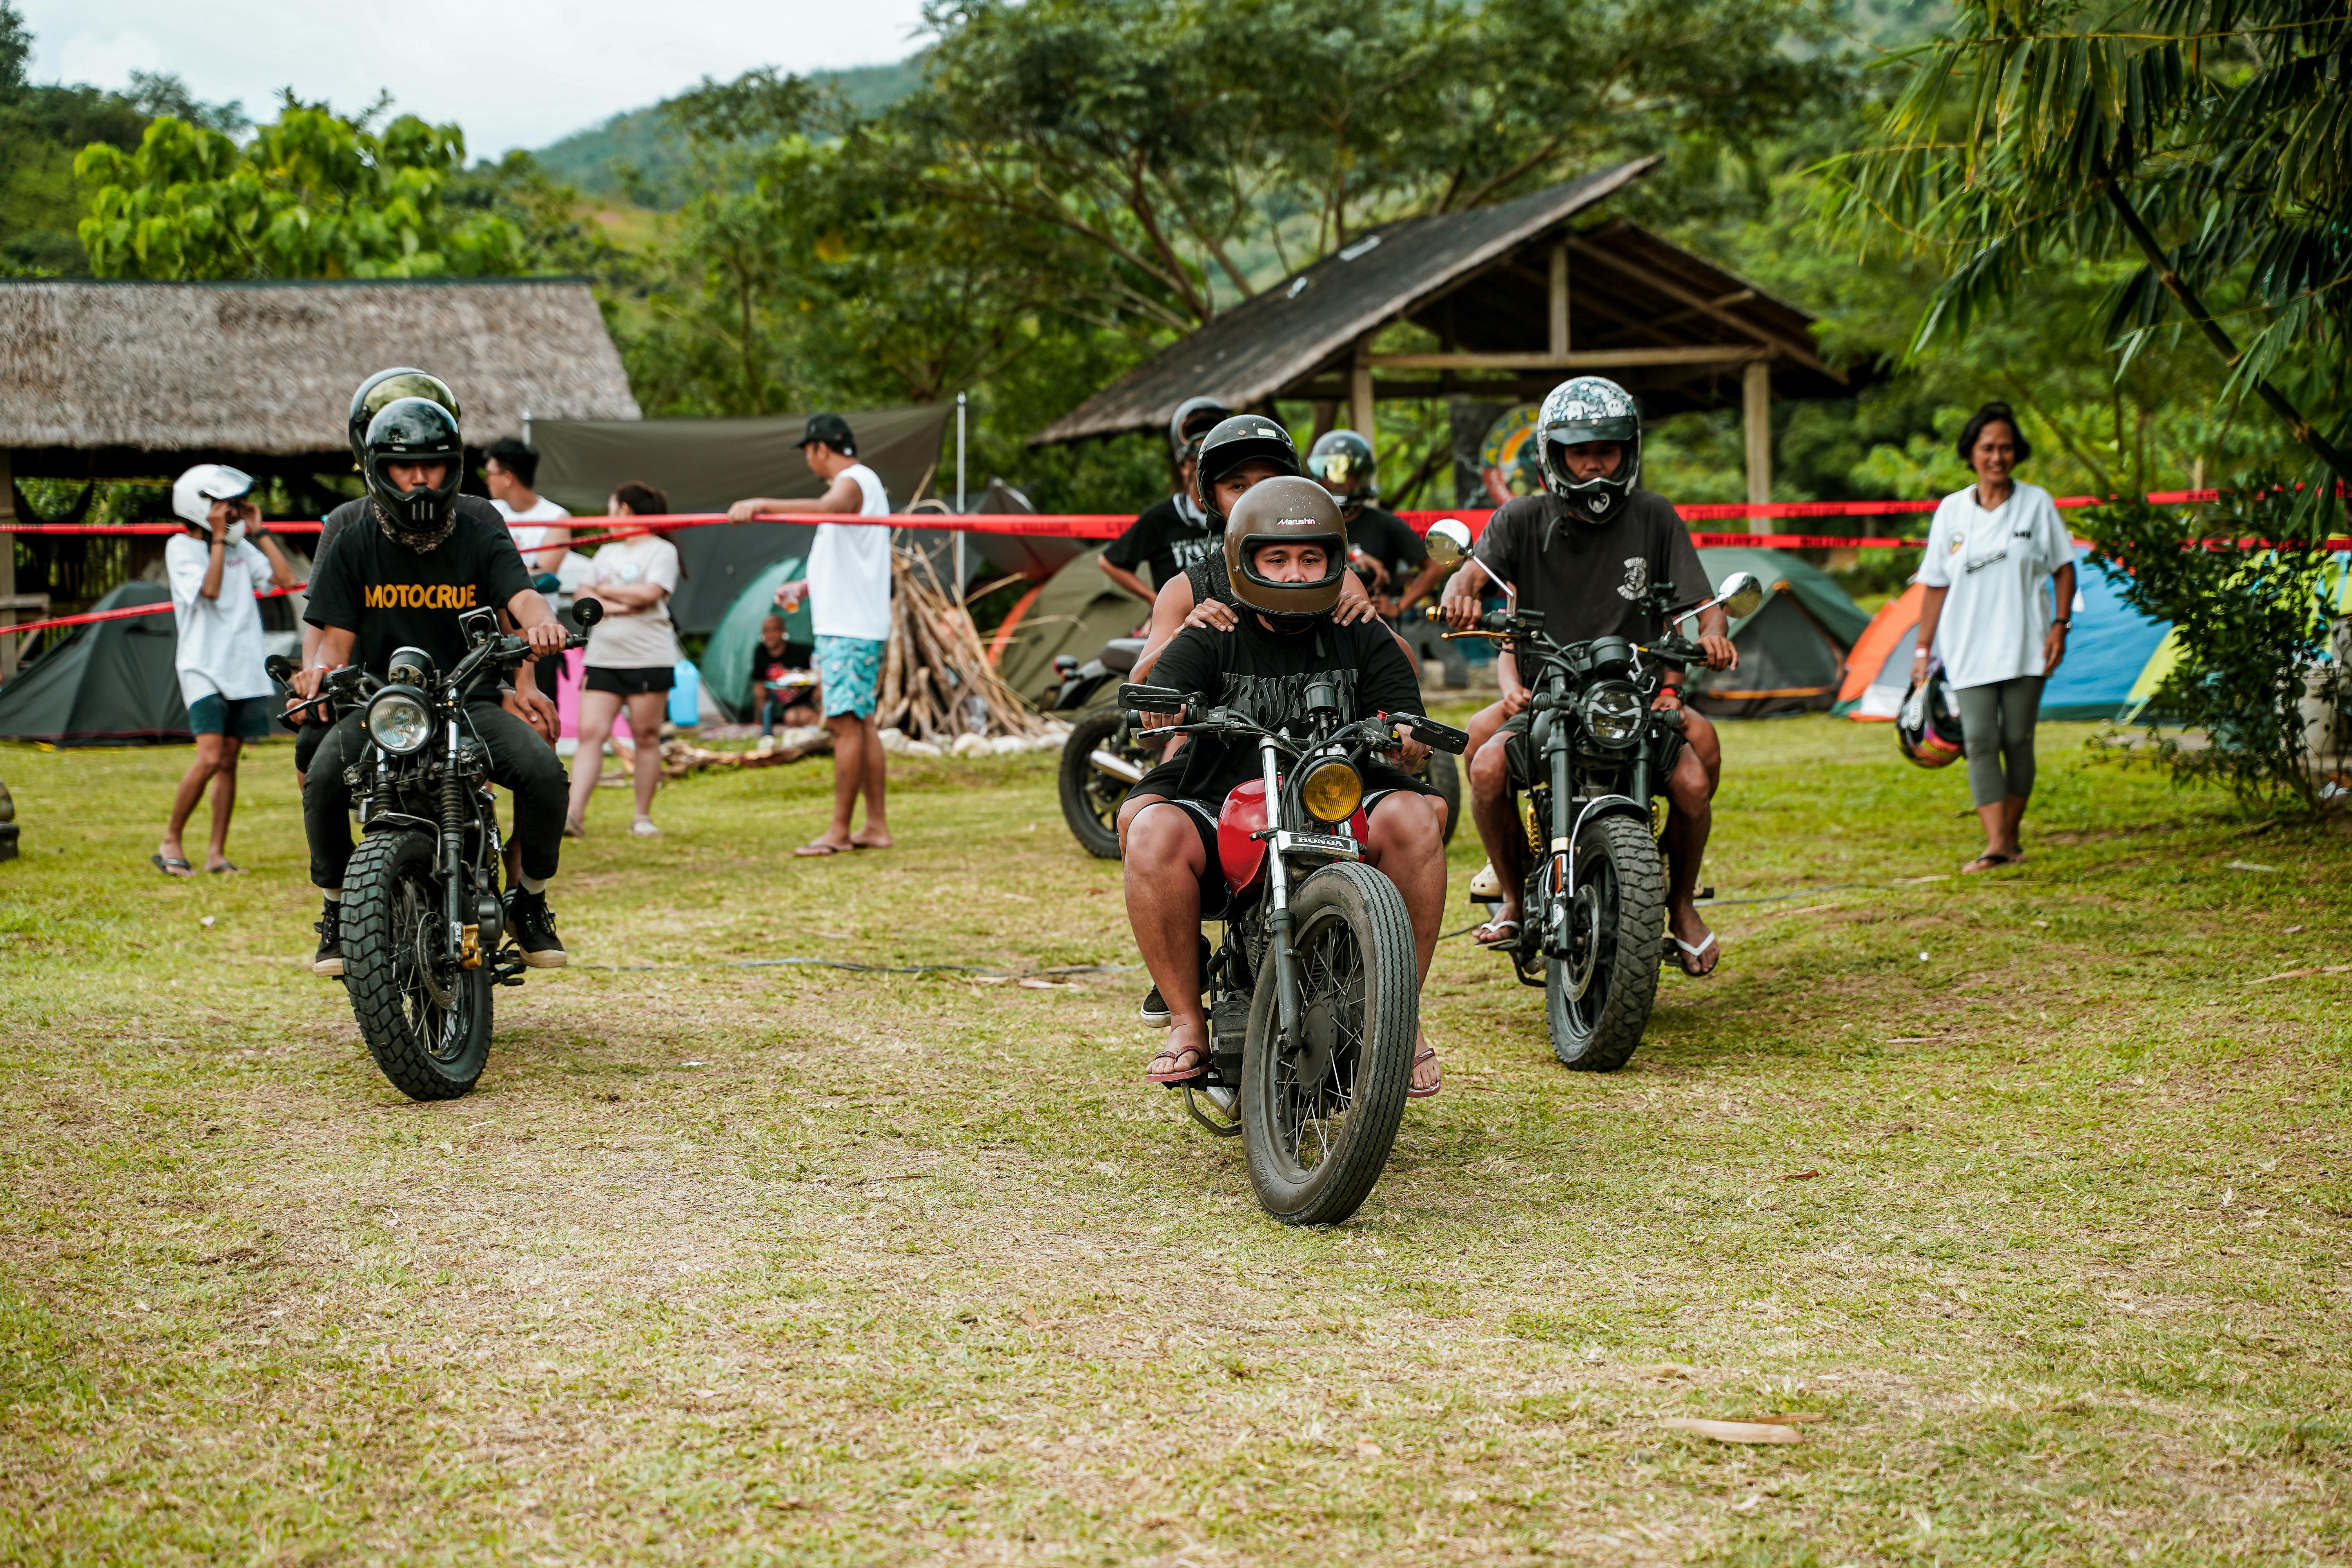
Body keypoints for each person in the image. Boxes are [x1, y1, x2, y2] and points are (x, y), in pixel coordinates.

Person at [1117, 478, 1448, 1098]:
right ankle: (1188, 1021)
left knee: (1417, 817)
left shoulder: (1358, 627)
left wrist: (1407, 734)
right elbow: (1159, 692)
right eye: (1276, 558)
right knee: (1151, 830)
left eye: (1309, 558)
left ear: (1333, 561)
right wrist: (1163, 708)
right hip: (1226, 799)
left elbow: (1407, 714)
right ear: (1244, 560)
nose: (1295, 574)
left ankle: (1404, 1016)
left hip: (1339, 796)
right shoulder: (1214, 626)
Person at [1441, 376, 1736, 977]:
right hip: (1547, 690)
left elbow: (1703, 602)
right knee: (1488, 765)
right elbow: (1466, 579)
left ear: (1629, 452)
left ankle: (1681, 904)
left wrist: (1714, 633)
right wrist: (1461, 596)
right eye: (1581, 451)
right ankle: (1514, 896)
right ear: (1556, 456)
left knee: (1695, 775)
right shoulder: (1522, 517)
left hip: (1635, 691)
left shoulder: (1653, 515)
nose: (1596, 464)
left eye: (1608, 450)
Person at [293, 396, 571, 978]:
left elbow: (520, 596)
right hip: (381, 705)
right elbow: (335, 643)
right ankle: (338, 909)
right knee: (321, 779)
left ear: (454, 467)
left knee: (544, 774)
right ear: (378, 468)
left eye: (433, 465)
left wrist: (541, 623)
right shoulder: (352, 540)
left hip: (467, 700)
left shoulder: (477, 532)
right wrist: (318, 671)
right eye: (403, 466)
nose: (419, 479)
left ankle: (531, 898)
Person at [294, 371, 544, 784]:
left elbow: (512, 610)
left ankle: (514, 844)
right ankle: (329, 849)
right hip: (372, 692)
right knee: (312, 754)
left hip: (466, 689)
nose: (419, 476)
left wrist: (526, 684)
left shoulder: (478, 520)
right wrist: (316, 681)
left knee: (538, 740)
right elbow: (324, 625)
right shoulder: (347, 527)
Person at [1911, 402, 2077, 873]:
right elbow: (1935, 583)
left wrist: (2060, 626)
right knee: (1980, 740)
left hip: (2028, 643)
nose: (1997, 457)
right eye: (1988, 448)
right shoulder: (1950, 511)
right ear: (1971, 453)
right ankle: (1997, 843)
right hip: (1967, 647)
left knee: (2018, 739)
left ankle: (2007, 837)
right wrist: (1922, 650)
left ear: (2016, 453)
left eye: (2006, 448)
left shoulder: (2037, 503)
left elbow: (2065, 569)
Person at [726, 412, 894, 855]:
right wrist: (805, 587)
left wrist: (761, 503)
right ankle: (874, 825)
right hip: (856, 622)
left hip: (849, 628)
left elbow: (827, 508)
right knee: (861, 722)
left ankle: (839, 831)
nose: (809, 462)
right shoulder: (863, 486)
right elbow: (850, 558)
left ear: (820, 448)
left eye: (808, 453)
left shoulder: (854, 479)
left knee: (844, 726)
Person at [154, 464, 300, 876]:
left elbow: (286, 580)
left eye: (236, 505)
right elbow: (211, 590)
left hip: (243, 667)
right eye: (227, 505)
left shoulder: (241, 548)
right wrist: (220, 538)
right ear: (201, 507)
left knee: (230, 761)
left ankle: (217, 854)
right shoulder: (180, 549)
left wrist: (261, 532)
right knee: (210, 757)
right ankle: (171, 841)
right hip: (203, 667)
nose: (235, 511)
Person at [566, 482, 683, 838]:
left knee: (646, 736)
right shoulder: (606, 553)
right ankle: (572, 816)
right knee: (591, 734)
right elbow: (582, 594)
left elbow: (650, 594)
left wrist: (604, 598)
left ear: (628, 512)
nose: (608, 517)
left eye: (612, 509)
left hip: (648, 656)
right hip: (604, 657)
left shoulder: (661, 551)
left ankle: (642, 817)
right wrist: (621, 602)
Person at [1098, 396, 1230, 603]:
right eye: (1196, 463)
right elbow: (1109, 562)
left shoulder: (1238, 513)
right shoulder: (1161, 518)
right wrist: (1155, 600)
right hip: (1183, 622)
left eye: (1214, 464)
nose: (1205, 473)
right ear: (1183, 467)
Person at [1306, 429, 1446, 618]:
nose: (1337, 482)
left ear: (1360, 475)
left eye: (1346, 473)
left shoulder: (1386, 524)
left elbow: (1436, 567)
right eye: (1330, 472)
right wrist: (1355, 555)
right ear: (1319, 475)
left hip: (1374, 625)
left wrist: (1398, 607)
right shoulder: (1309, 523)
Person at [483, 435, 573, 704]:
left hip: (538, 634)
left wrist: (498, 567)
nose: (487, 480)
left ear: (508, 477)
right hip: (493, 633)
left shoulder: (556, 517)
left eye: (490, 474)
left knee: (539, 715)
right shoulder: (488, 512)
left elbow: (543, 576)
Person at [749, 614, 819, 734]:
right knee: (791, 717)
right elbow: (759, 689)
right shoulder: (760, 653)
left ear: (784, 631)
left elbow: (818, 669)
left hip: (811, 702)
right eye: (766, 631)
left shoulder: (803, 652)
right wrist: (758, 722)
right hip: (788, 710)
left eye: (775, 630)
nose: (770, 635)